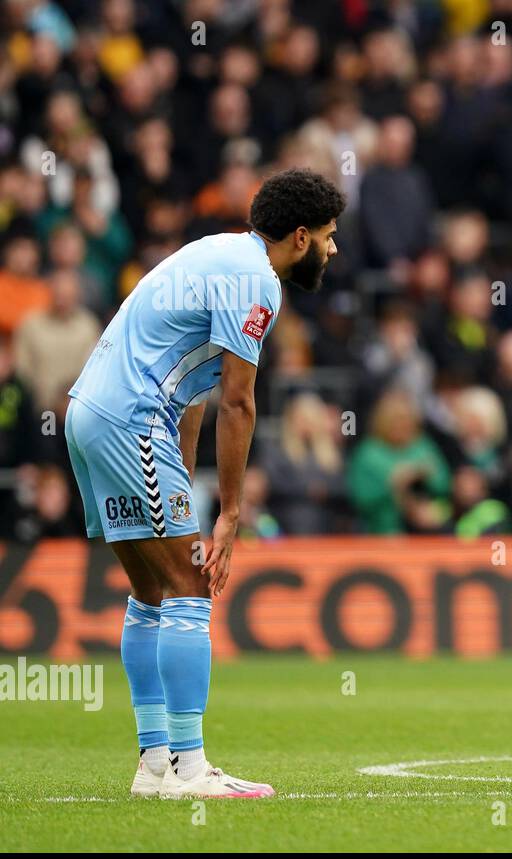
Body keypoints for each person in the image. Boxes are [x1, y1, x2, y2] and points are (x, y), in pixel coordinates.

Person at [64, 168, 344, 799]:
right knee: (190, 585)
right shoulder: (258, 282)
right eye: (329, 237)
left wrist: (183, 484)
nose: (335, 249)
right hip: (132, 420)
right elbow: (238, 403)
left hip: (91, 414)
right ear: (300, 237)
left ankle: (155, 765)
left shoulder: (216, 253)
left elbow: (195, 392)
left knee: (151, 592)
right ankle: (190, 769)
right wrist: (232, 511)